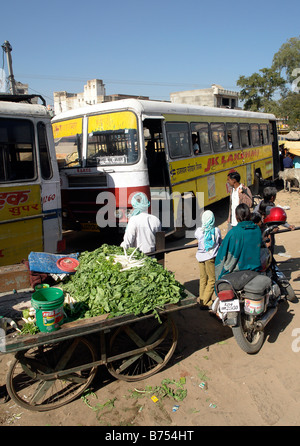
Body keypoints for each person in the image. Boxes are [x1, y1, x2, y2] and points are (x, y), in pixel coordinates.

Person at [215, 203, 262, 281]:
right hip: (255, 270)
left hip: (236, 273)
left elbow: (221, 255)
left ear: (236, 217)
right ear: (249, 215)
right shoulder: (257, 229)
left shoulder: (233, 233)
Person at [195, 210, 222, 309]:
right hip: (210, 258)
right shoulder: (216, 230)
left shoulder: (198, 231)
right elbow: (219, 241)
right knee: (212, 279)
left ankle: (203, 299)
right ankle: (205, 301)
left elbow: (198, 238)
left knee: (203, 279)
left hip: (200, 257)